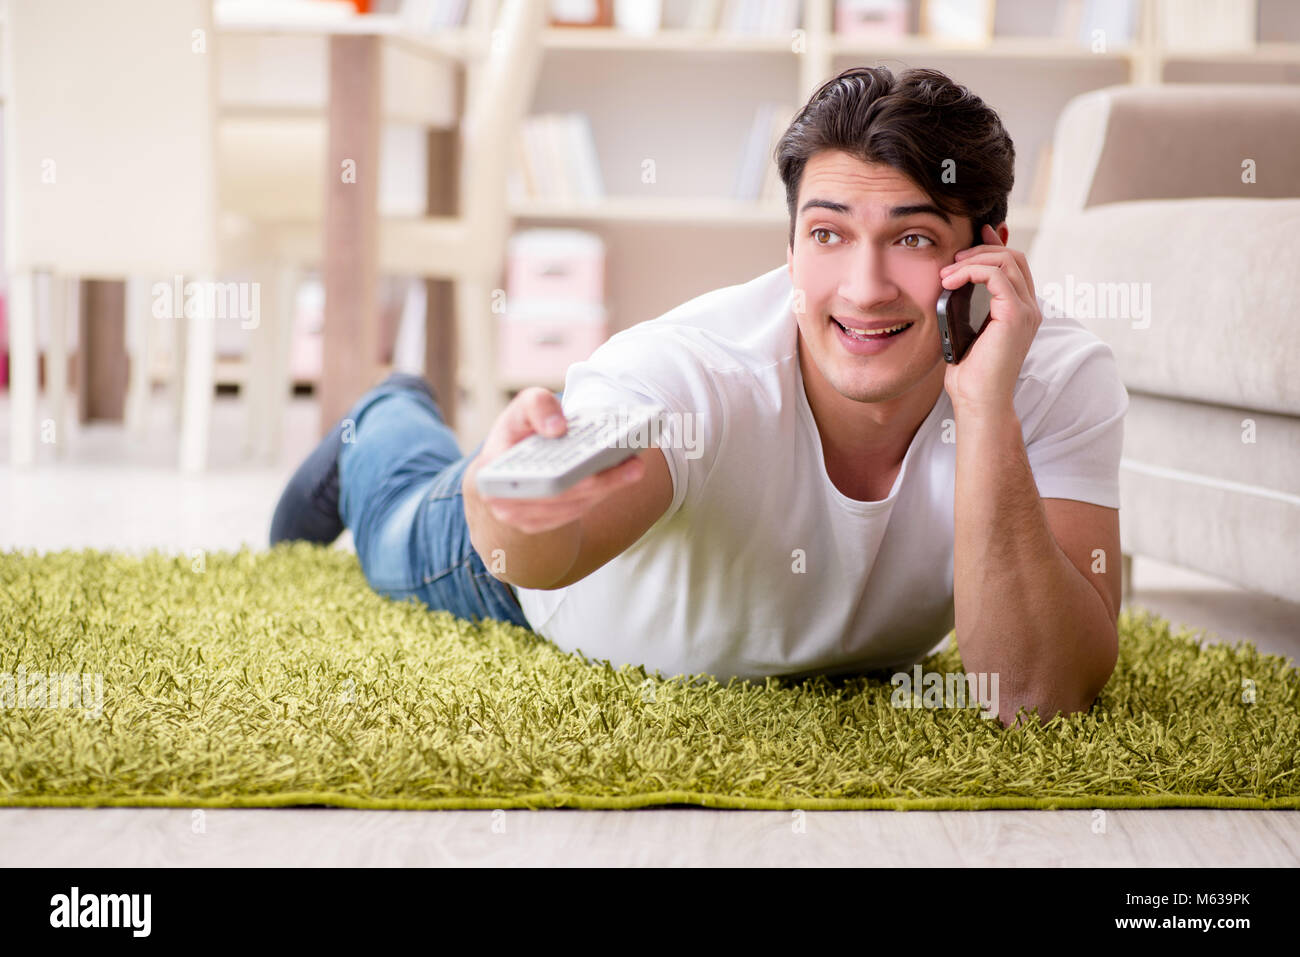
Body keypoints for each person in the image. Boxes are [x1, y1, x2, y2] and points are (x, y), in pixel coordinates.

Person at [271, 66, 1128, 727]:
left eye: (910, 238)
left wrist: (984, 408)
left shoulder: (1053, 379)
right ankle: (381, 419)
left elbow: (1032, 693)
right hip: (524, 584)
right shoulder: (693, 377)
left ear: (987, 254)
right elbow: (543, 550)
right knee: (396, 519)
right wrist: (508, 512)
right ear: (790, 248)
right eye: (827, 234)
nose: (864, 289)